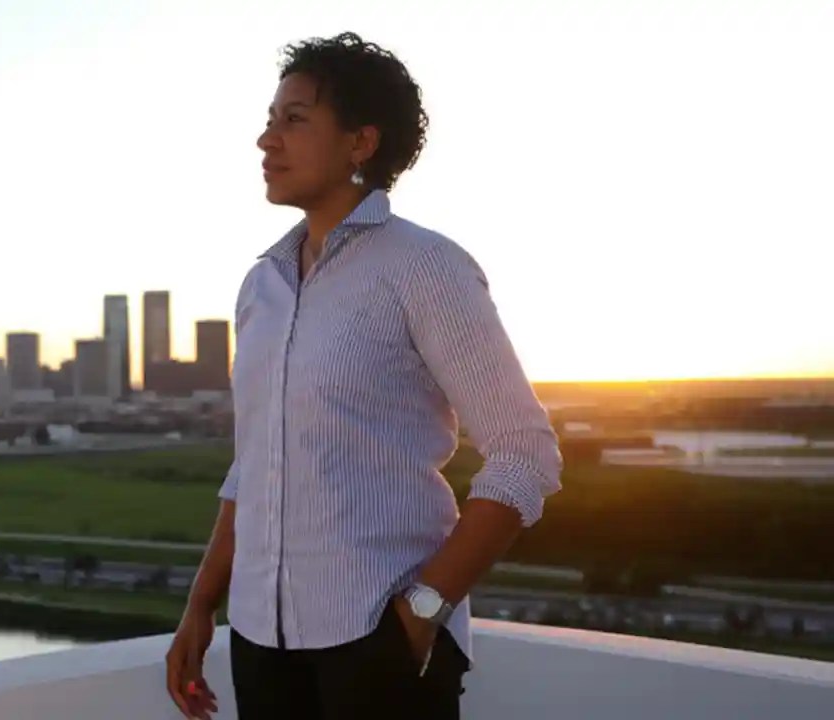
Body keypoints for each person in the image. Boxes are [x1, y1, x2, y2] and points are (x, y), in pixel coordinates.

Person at [165, 32, 563, 719]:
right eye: (268, 120)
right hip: (261, 641)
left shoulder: (423, 267)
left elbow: (526, 455)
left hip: (376, 638)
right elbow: (254, 463)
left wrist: (420, 615)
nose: (267, 140)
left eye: (294, 119)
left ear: (360, 143)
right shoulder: (260, 285)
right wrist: (202, 605)